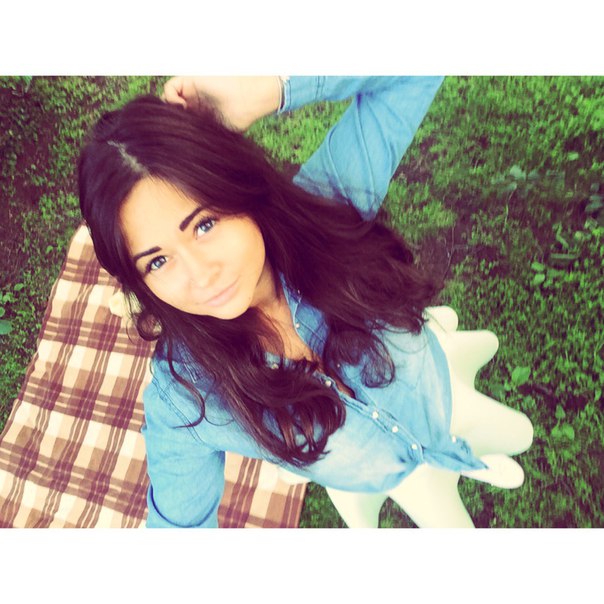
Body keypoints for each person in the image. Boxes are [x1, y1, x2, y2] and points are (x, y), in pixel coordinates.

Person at [78, 76, 533, 528]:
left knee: (520, 433)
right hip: (382, 482)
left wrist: (268, 90)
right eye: (157, 262)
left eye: (204, 224)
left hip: (446, 398)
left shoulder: (326, 204)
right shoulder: (185, 399)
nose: (201, 275)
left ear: (237, 186)